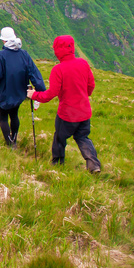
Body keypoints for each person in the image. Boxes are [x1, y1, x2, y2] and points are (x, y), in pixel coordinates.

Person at [26, 35, 102, 174]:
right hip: (84, 111)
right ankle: (94, 165)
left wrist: (34, 95)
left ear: (57, 50)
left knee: (60, 138)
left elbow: (50, 94)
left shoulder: (58, 69)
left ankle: (57, 165)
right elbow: (91, 85)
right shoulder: (83, 63)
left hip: (67, 114)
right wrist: (84, 96)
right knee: (82, 137)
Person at [0, 27, 46, 148]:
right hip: (19, 92)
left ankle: (9, 144)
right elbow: (33, 72)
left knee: (3, 117)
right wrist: (41, 90)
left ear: (3, 40)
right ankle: (14, 139)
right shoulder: (24, 54)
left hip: (4, 92)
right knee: (14, 115)